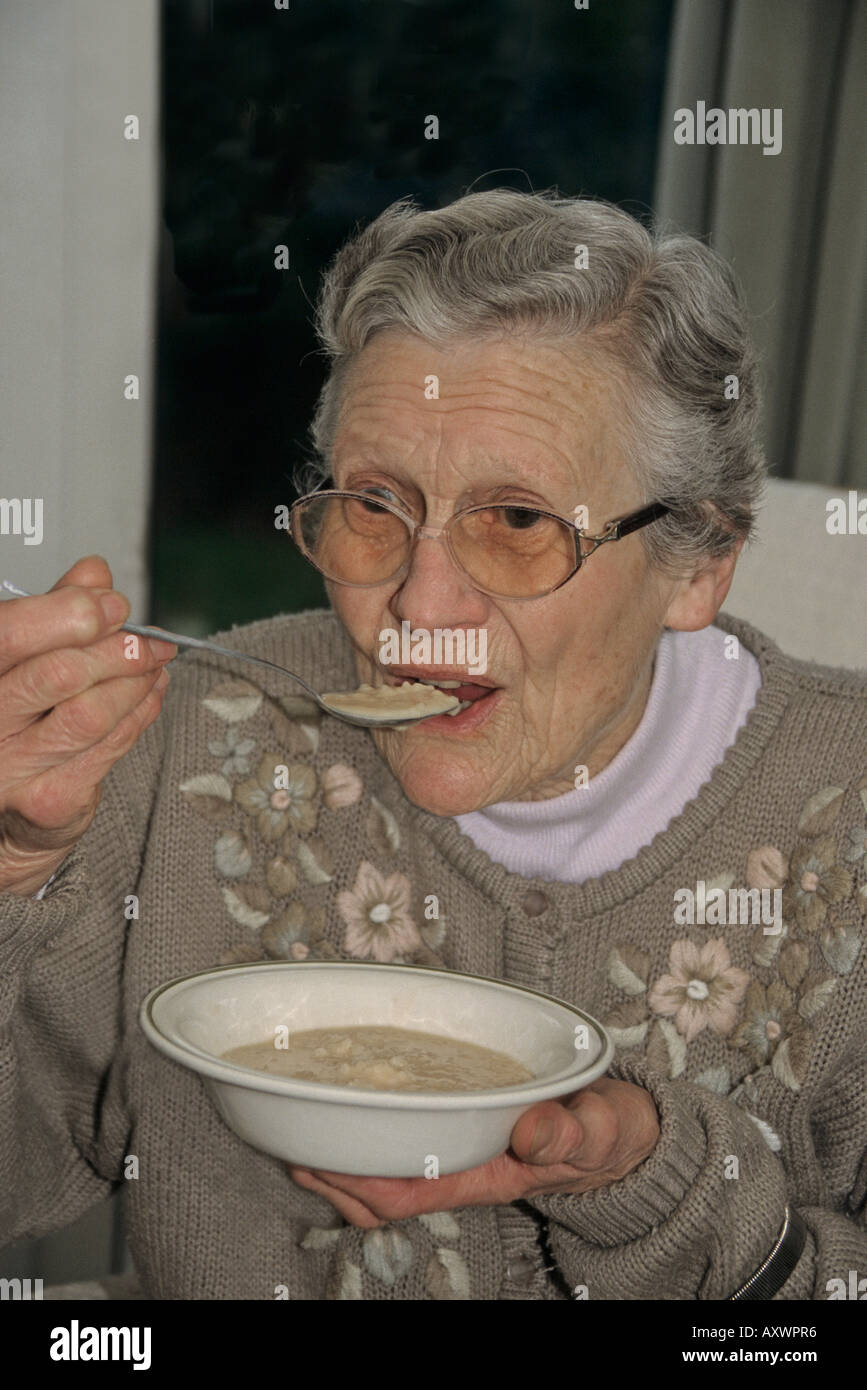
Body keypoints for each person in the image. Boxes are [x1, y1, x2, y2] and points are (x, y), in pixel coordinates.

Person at [1, 190, 864, 1301]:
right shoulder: (187, 739)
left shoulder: (848, 807)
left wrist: (662, 1189)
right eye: (376, 504)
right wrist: (11, 873)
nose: (418, 604)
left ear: (698, 564)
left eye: (517, 521)